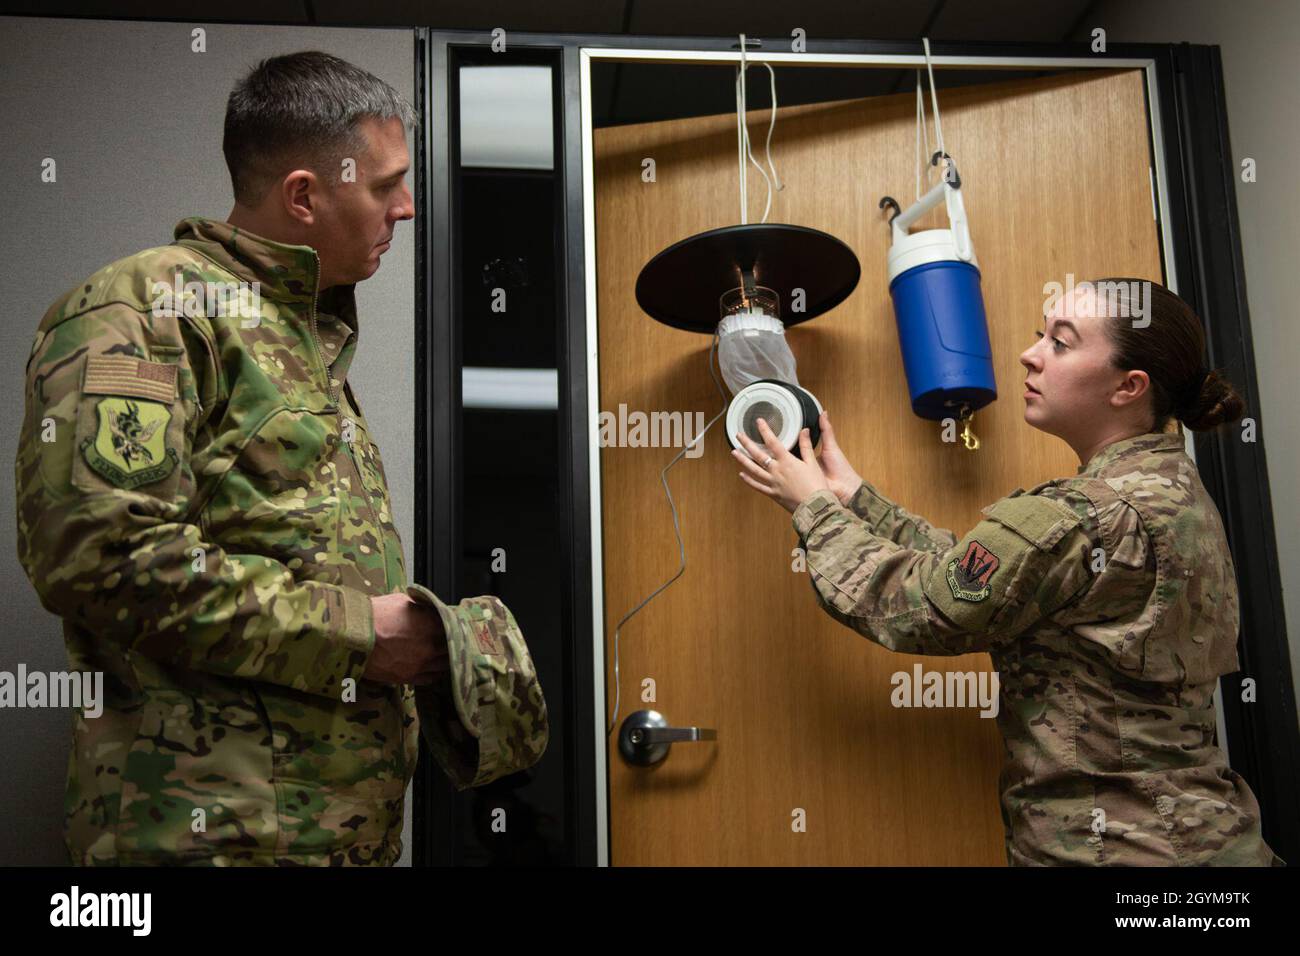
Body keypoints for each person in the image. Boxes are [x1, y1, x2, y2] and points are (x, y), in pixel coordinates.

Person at [14, 51, 446, 866]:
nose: (408, 206)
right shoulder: (147, 309)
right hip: (207, 841)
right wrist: (362, 635)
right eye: (386, 184)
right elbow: (101, 554)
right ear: (304, 196)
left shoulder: (298, 336)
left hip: (327, 840)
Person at [732, 277, 1283, 866]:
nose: (1030, 352)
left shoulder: (1085, 516)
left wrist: (814, 510)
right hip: (1209, 846)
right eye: (1039, 335)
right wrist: (854, 496)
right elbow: (983, 577)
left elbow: (925, 608)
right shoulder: (1174, 491)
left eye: (1062, 343)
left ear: (1129, 386)